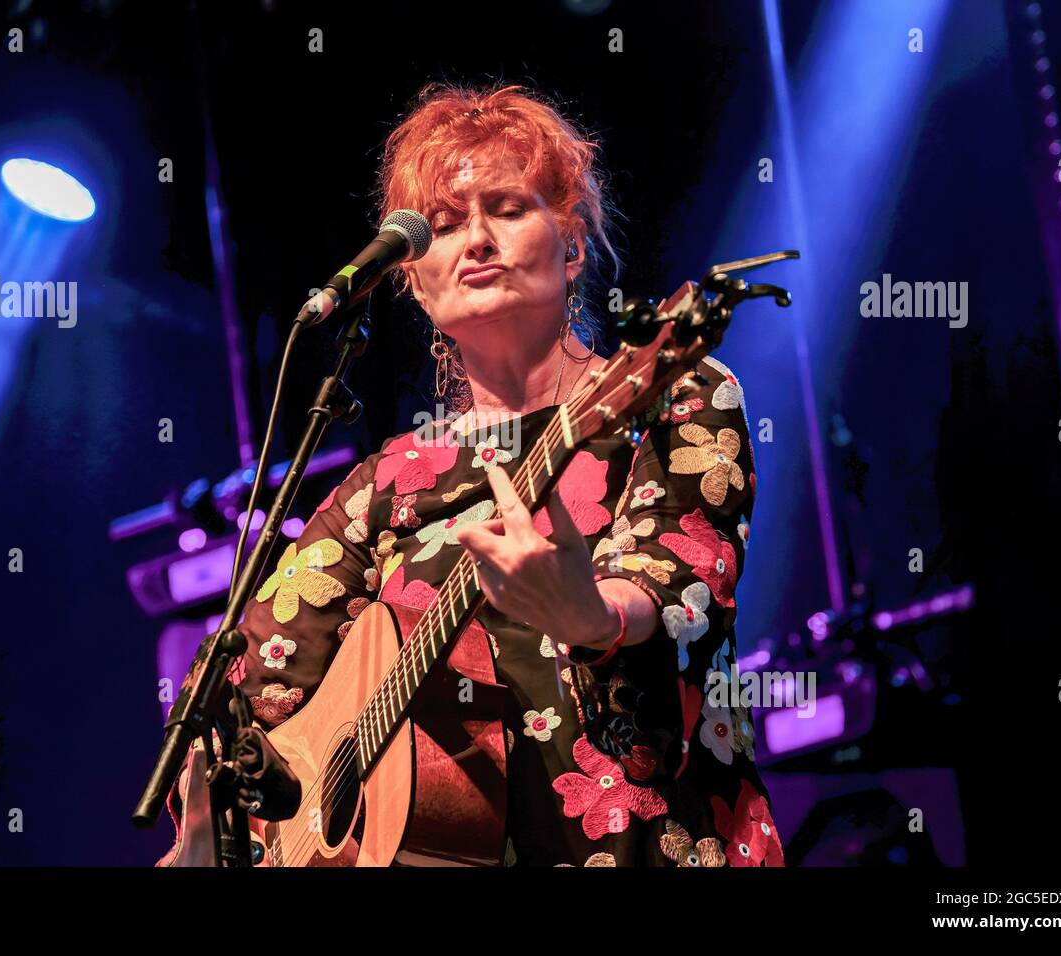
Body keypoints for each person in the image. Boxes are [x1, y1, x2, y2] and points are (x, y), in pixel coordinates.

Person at [172, 82, 782, 867]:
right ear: (414, 284)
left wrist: (592, 614)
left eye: (509, 208)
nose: (476, 241)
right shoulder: (385, 485)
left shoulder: (675, 392)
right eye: (446, 225)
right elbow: (240, 681)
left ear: (573, 245)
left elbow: (683, 581)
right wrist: (217, 822)